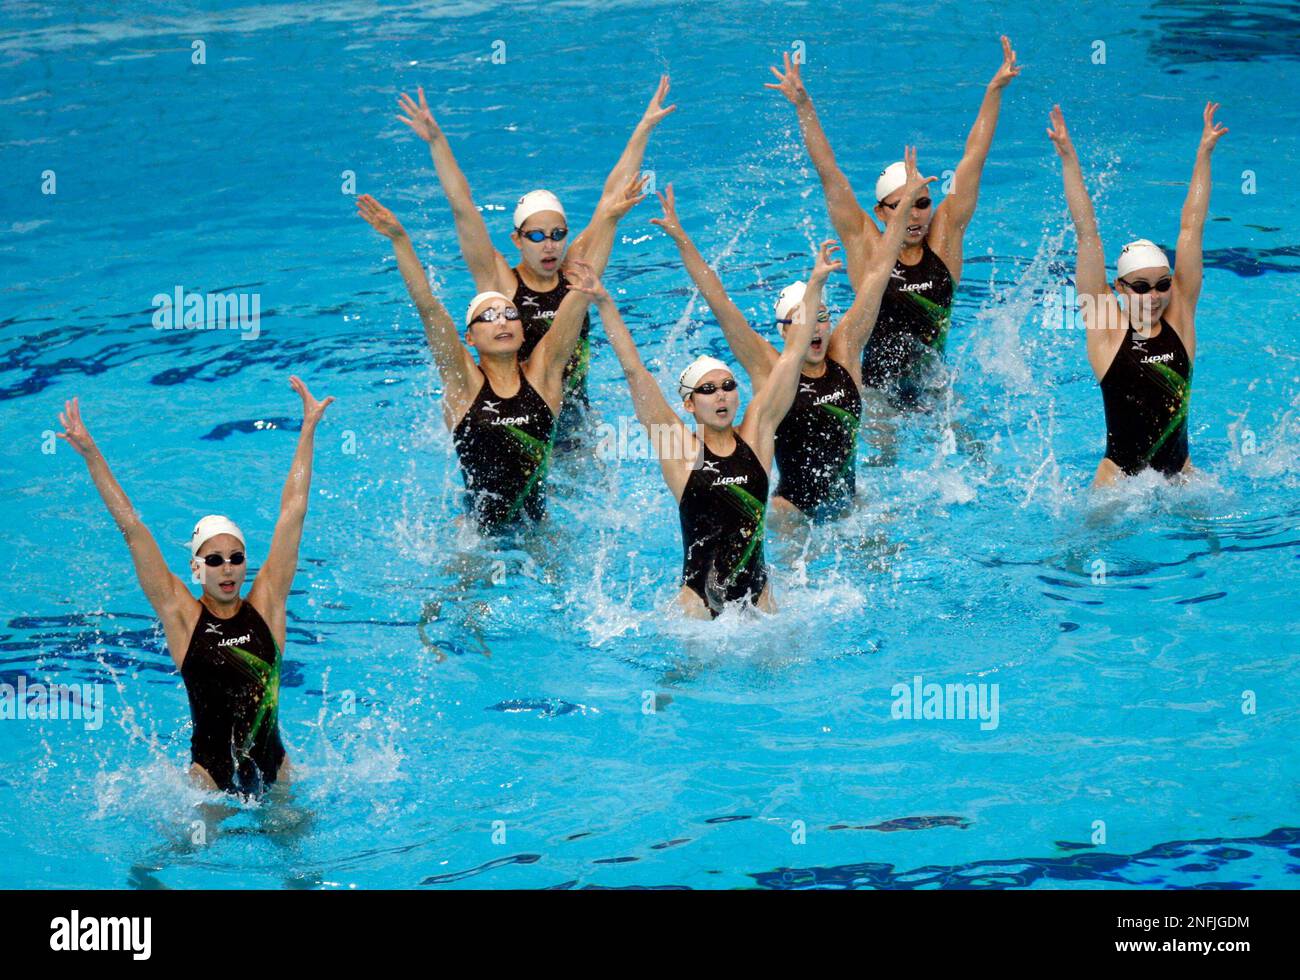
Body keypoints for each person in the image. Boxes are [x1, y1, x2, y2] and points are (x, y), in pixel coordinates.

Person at [57, 377, 334, 796]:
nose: (227, 569)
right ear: (196, 570)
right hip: (210, 778)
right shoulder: (183, 616)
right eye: (215, 560)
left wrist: (308, 428)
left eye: (236, 559)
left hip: (274, 770)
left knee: (302, 858)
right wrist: (92, 454)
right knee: (181, 853)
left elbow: (293, 512)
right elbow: (132, 528)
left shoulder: (267, 603)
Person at [650, 149, 935, 520]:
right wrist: (681, 238)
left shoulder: (845, 351)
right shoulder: (771, 369)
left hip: (850, 507)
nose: (813, 329)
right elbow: (718, 301)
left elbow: (880, 270)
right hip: (793, 516)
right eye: (800, 321)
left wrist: (906, 206)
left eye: (820, 318)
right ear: (784, 332)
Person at [395, 77, 676, 443]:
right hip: (509, 419)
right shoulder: (499, 281)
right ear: (517, 239)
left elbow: (611, 198)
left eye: (558, 235)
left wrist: (644, 128)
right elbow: (463, 208)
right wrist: (437, 142)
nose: (550, 246)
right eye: (537, 236)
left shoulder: (575, 269)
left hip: (573, 418)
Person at [355, 187, 642, 534]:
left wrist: (609, 219)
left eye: (509, 313)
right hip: (476, 540)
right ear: (470, 338)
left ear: (524, 333)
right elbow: (428, 306)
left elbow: (582, 292)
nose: (502, 321)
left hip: (540, 534)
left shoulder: (544, 376)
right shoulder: (463, 385)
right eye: (488, 317)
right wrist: (400, 240)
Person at [768, 37, 1020, 408]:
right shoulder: (867, 247)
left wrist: (993, 91)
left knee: (974, 447)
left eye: (921, 203)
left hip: (934, 385)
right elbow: (829, 173)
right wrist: (804, 106)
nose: (913, 215)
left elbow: (974, 158)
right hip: (875, 391)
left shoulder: (944, 240)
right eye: (900, 207)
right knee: (882, 458)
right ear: (881, 213)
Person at [597, 241, 843, 618]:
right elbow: (635, 371)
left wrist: (814, 284)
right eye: (708, 390)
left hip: (759, 601)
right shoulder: (681, 451)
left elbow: (793, 354)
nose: (721, 395)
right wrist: (603, 302)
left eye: (728, 385)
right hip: (698, 609)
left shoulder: (756, 437)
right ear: (690, 404)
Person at [1047, 102, 1226, 486]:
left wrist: (1204, 153)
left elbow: (1191, 228)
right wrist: (1067, 158)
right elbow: (1087, 232)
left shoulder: (1180, 317)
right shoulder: (1105, 326)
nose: (1156, 296)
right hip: (1119, 485)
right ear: (1120, 289)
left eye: (1163, 284)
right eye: (1142, 288)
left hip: (1180, 477)